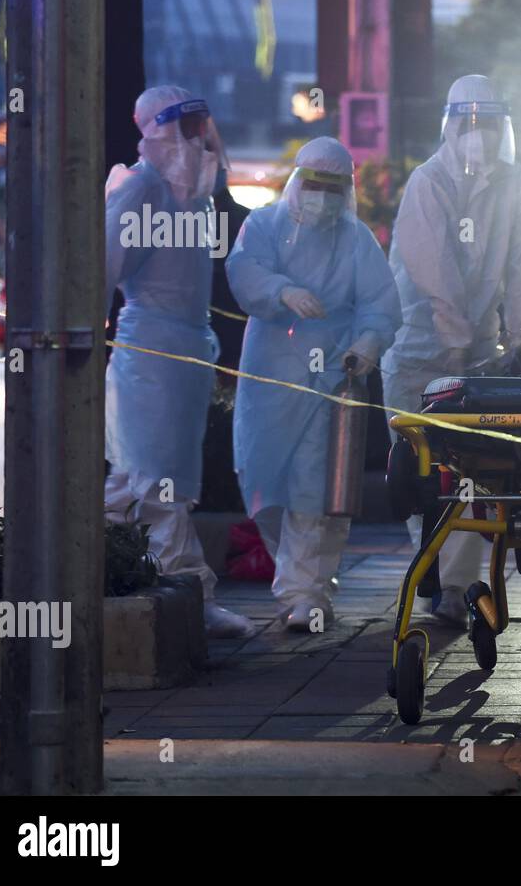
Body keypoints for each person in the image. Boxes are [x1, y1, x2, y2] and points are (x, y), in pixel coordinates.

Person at [381, 75, 521, 628]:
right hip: (417, 346)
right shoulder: (428, 183)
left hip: (477, 354)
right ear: (450, 126)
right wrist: (452, 342)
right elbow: (434, 271)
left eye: (490, 124)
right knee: (422, 470)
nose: (480, 135)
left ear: (503, 128)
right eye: (470, 124)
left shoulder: (520, 187)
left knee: (475, 472)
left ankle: (457, 588)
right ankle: (431, 575)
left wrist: (519, 341)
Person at [227, 137, 403, 632]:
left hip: (331, 374)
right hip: (270, 373)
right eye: (315, 186)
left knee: (313, 483)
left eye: (334, 188)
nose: (323, 197)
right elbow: (242, 270)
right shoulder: (262, 226)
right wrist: (281, 290)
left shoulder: (356, 240)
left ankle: (305, 593)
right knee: (261, 476)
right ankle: (301, 584)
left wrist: (367, 344)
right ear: (297, 184)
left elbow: (379, 302)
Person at [104, 85, 255, 638]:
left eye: (202, 125)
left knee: (139, 479)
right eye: (189, 127)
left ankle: (74, 556)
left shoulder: (188, 193)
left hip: (185, 351)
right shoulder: (142, 188)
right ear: (162, 128)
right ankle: (191, 593)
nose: (201, 138)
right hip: (151, 353)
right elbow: (103, 264)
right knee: (160, 480)